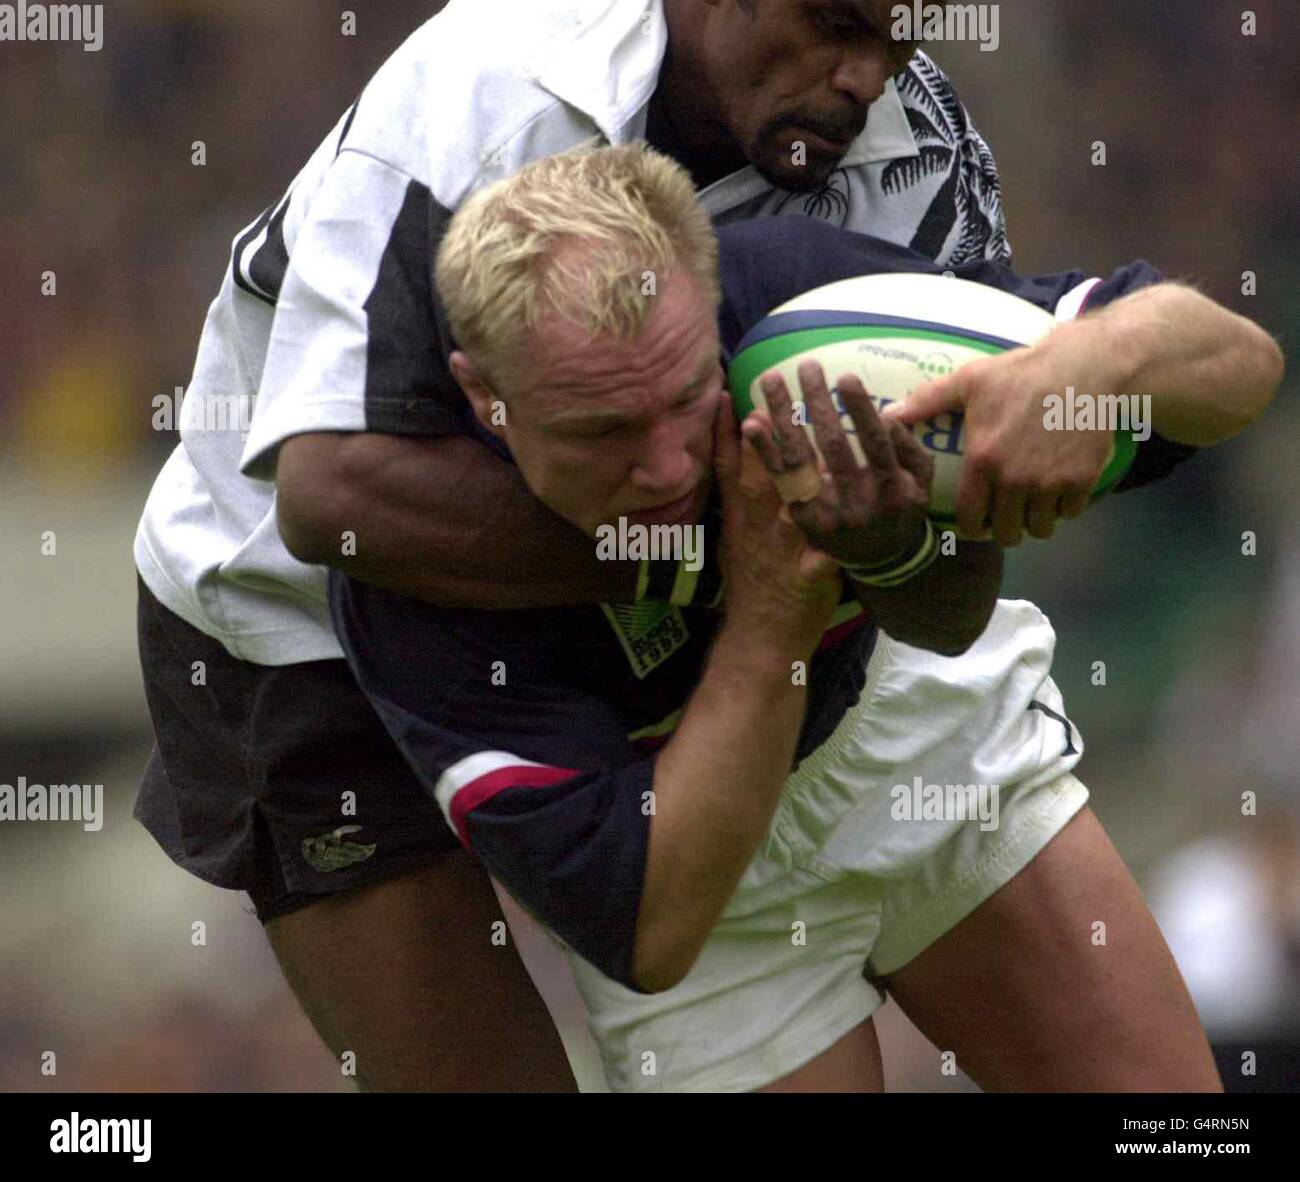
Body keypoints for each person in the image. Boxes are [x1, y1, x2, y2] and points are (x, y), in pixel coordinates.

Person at [133, 1, 1020, 1090]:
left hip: (604, 627)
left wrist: (919, 527)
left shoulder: (914, 161)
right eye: (836, 20)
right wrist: (719, 557)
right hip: (286, 618)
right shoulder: (493, 85)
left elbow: (944, 589)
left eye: (899, 41)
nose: (864, 77)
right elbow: (329, 495)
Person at [327, 142, 1282, 1092]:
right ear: (485, 394)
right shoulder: (409, 597)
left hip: (909, 730)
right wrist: (771, 615)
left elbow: (1243, 369)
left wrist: (1092, 360)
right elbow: (655, 931)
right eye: (601, 430)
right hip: (696, 877)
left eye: (688, 396)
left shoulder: (787, 299)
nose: (665, 465)